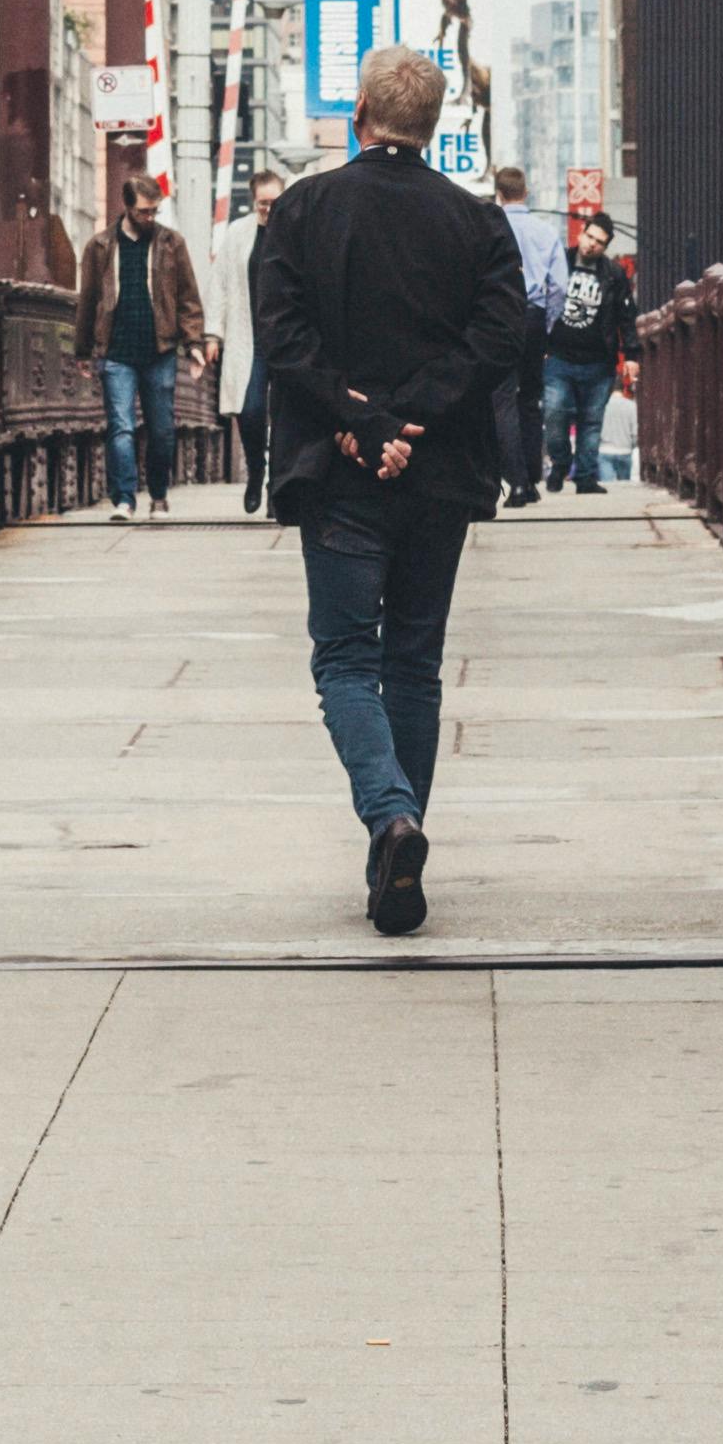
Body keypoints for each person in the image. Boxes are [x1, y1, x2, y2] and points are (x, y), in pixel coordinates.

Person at [253, 47, 536, 935]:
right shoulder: (476, 222)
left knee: (344, 658)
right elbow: (502, 334)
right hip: (441, 473)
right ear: (433, 122)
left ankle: (390, 818)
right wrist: (414, 416)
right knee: (413, 662)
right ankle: (400, 842)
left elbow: (281, 334)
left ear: (362, 113)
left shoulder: (300, 210)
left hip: (338, 474)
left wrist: (359, 419)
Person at [68, 178, 207, 520]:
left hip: (159, 350)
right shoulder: (100, 246)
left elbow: (188, 297)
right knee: (121, 427)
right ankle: (125, 500)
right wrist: (83, 349)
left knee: (161, 429)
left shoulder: (172, 243)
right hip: (116, 352)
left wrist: (194, 344)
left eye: (154, 211)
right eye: (144, 211)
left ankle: (158, 497)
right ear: (127, 207)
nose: (150, 217)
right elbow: (87, 300)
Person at [486, 166, 567, 506]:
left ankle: (516, 481)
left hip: (500, 316)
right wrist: (546, 324)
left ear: (498, 193)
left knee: (501, 397)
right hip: (533, 317)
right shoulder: (544, 232)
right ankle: (532, 476)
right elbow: (559, 286)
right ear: (526, 192)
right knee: (530, 398)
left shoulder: (489, 227)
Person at [544, 207, 638, 492]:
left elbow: (627, 316)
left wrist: (632, 356)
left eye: (598, 241)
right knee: (554, 413)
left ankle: (584, 477)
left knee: (591, 421)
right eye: (589, 236)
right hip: (559, 356)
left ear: (605, 246)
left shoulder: (613, 274)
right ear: (581, 233)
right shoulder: (560, 260)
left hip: (598, 361)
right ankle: (560, 463)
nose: (591, 244)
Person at [215, 168, 288, 515]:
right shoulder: (237, 234)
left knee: (286, 415)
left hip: (288, 340)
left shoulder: (295, 230)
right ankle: (256, 469)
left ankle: (278, 486)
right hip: (250, 338)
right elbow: (222, 285)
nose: (269, 210)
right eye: (263, 204)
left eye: (275, 203)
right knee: (251, 410)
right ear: (253, 201)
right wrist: (213, 333)